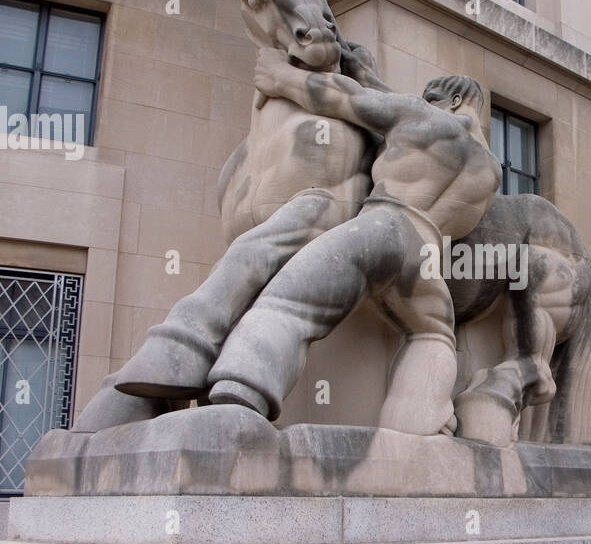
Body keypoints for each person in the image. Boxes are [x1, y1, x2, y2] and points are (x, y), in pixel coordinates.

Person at [206, 47, 502, 436]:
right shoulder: (491, 171)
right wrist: (369, 74)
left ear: (455, 100)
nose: (421, 101)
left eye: (430, 98)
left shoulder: (421, 116)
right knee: (433, 332)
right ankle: (414, 424)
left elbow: (349, 99)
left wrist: (279, 75)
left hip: (383, 227)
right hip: (427, 255)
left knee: (290, 302)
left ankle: (239, 388)